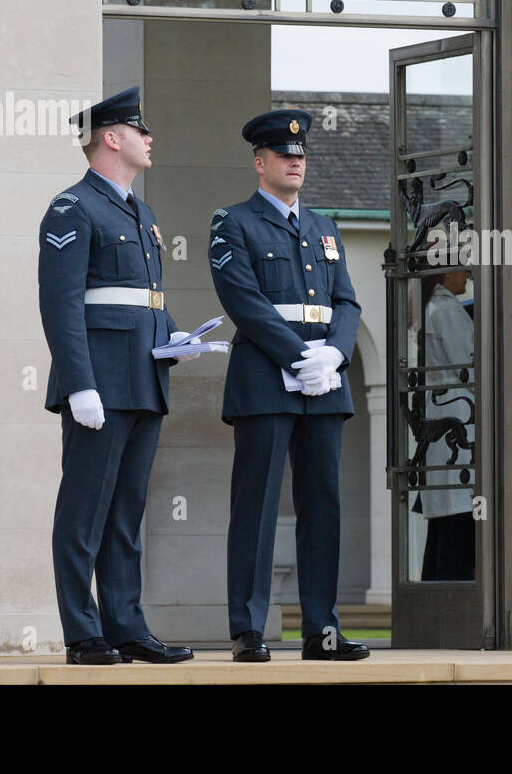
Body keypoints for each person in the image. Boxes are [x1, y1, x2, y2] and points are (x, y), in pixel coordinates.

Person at [38, 86, 194, 666]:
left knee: (126, 514)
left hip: (143, 376)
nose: (149, 139)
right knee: (84, 513)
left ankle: (126, 626)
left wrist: (175, 335)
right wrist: (80, 384)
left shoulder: (141, 212)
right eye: (139, 130)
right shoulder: (72, 208)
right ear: (111, 138)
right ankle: (83, 633)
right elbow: (62, 302)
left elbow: (145, 298)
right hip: (99, 382)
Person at [208, 108, 369, 663]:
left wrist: (334, 355)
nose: (295, 162)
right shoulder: (233, 222)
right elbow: (242, 299)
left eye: (301, 156)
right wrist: (299, 356)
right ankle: (248, 629)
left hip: (323, 381)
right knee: (255, 505)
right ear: (260, 162)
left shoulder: (324, 226)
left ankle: (321, 632)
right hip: (265, 379)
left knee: (322, 506)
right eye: (284, 155)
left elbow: (346, 299)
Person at [418, 265, 475, 581]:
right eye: (461, 268)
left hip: (445, 413)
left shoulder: (432, 306)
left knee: (444, 525)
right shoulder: (445, 308)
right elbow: (468, 364)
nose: (467, 274)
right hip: (459, 415)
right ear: (443, 274)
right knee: (458, 519)